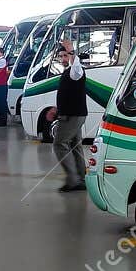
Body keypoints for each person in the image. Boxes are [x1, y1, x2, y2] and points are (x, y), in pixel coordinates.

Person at [52, 37, 88, 192]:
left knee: (59, 144)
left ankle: (73, 180)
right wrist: (56, 109)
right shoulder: (67, 72)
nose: (63, 59)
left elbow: (76, 69)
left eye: (65, 56)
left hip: (73, 116)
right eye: (61, 56)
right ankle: (80, 178)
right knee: (75, 145)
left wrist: (71, 51)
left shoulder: (76, 71)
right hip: (72, 114)